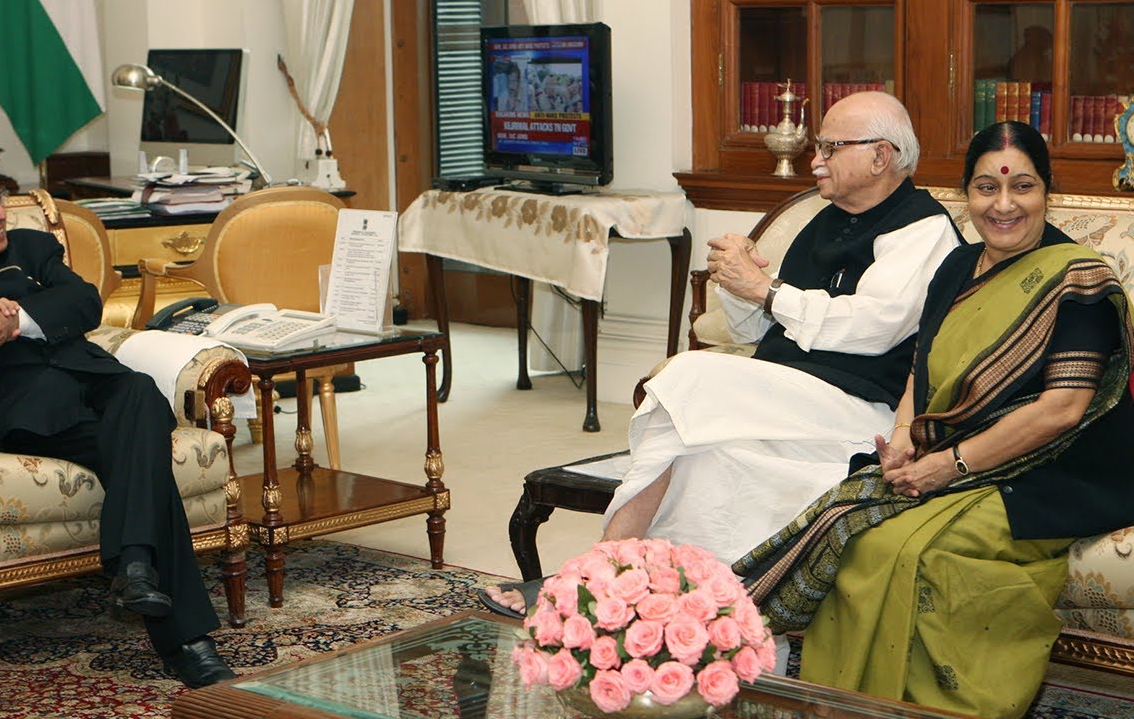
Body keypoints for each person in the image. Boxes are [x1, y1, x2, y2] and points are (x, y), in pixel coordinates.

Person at [482, 91, 963, 616]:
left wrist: (768, 290)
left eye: (830, 146)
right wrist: (738, 281)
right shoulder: (823, 220)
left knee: (687, 376)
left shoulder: (924, 229)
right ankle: (667, 605)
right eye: (817, 146)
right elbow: (755, 325)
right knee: (701, 456)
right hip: (784, 395)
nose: (815, 159)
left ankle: (601, 576)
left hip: (856, 406)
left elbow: (875, 327)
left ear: (881, 155)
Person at [734, 121, 1134, 719]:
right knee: (851, 531)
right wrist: (900, 440)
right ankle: (845, 705)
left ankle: (940, 707)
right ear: (966, 194)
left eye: (1022, 187)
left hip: (1063, 474)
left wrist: (947, 465)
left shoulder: (1079, 281)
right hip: (964, 458)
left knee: (903, 549)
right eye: (985, 189)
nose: (1003, 205)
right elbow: (920, 374)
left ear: (1046, 191)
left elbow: (1063, 410)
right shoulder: (955, 268)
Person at [0, 152, 237, 689]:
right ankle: (182, 634)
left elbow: (83, 301)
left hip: (94, 383)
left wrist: (21, 322)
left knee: (139, 392)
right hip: (16, 408)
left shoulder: (34, 247)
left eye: (1, 199)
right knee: (142, 449)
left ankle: (135, 568)